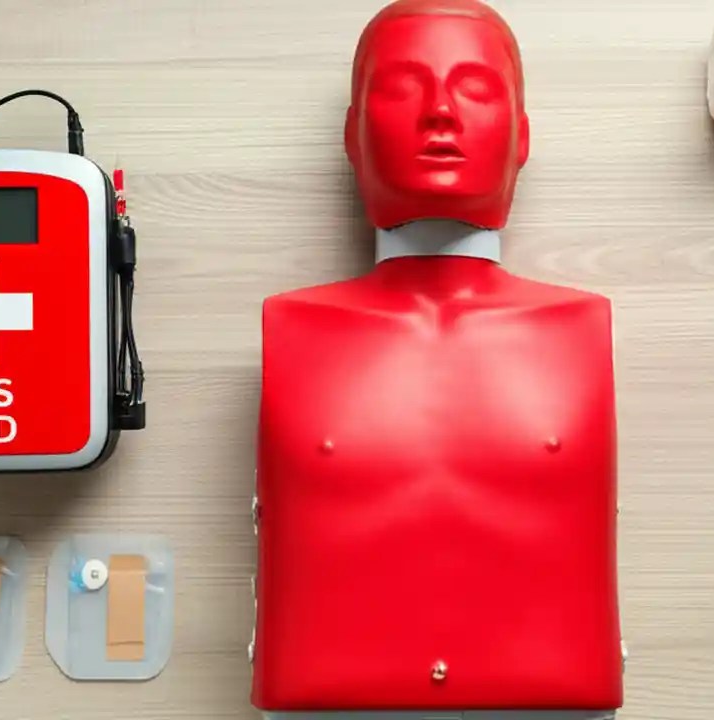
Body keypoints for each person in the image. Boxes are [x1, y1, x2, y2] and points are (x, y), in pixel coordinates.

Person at [253, 1, 623, 715]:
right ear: (351, 137)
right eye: (402, 86)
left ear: (521, 136)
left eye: (476, 87)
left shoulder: (583, 325)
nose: (441, 112)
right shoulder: (292, 325)